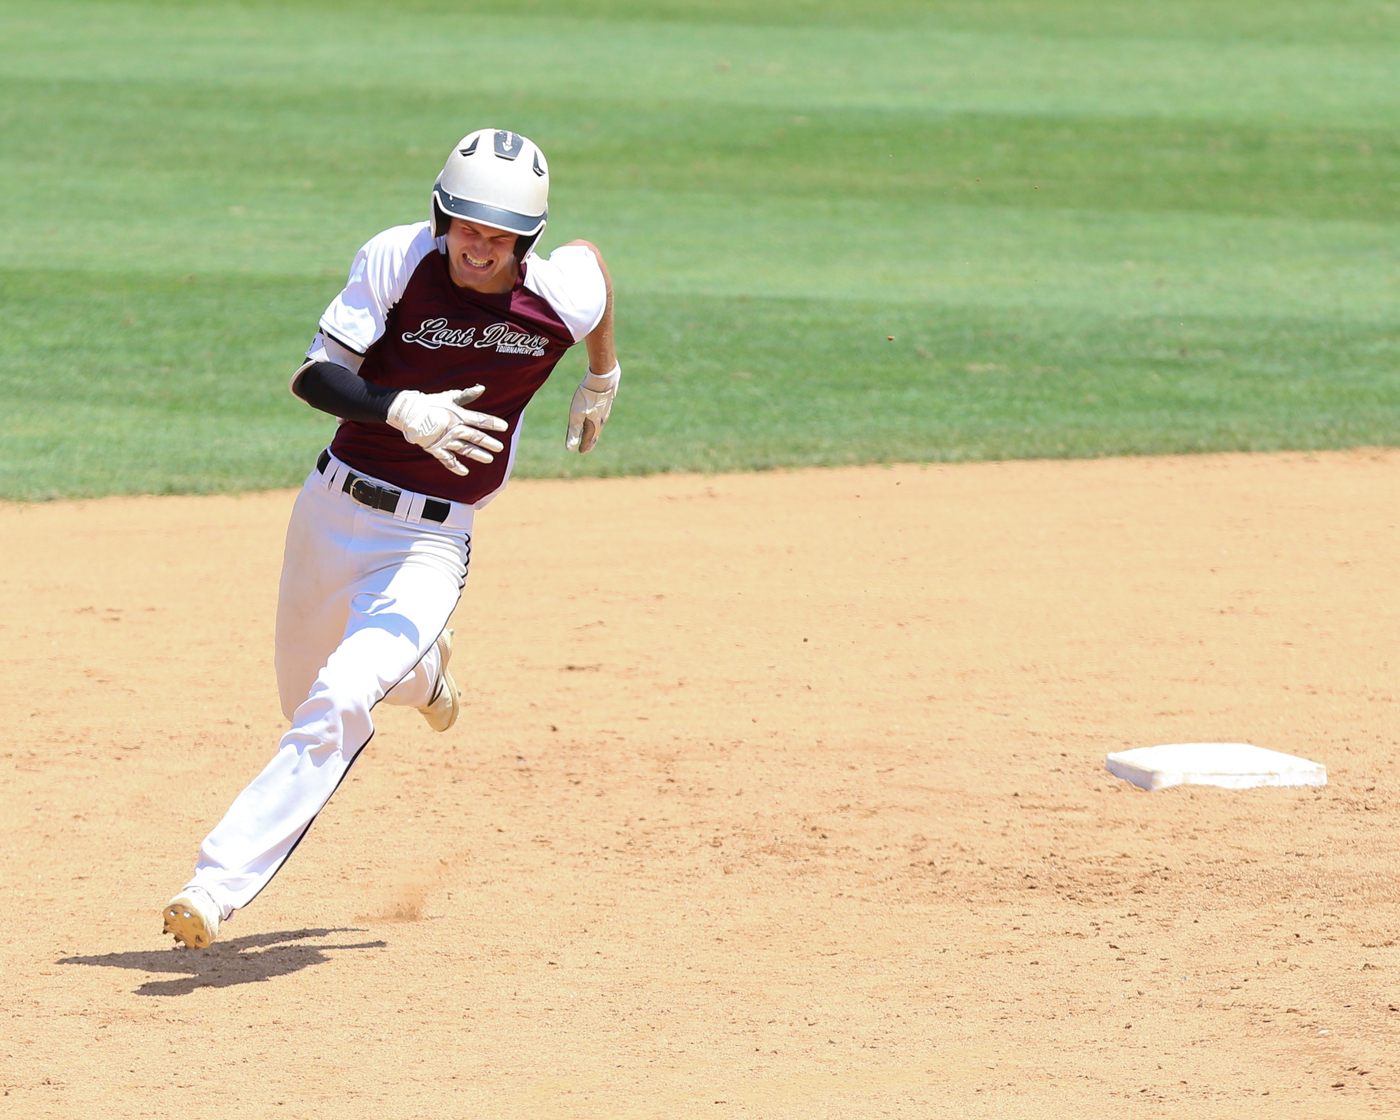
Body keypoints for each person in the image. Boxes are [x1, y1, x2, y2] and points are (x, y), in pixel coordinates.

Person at [161, 128, 617, 949]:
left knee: (338, 700)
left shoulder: (558, 292)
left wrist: (602, 372)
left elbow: (597, 269)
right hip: (331, 514)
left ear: (529, 238)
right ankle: (426, 672)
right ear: (440, 213)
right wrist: (398, 406)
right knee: (305, 696)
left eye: (500, 234)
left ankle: (213, 886)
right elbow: (314, 376)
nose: (479, 247)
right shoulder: (396, 259)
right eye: (466, 225)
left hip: (431, 546)